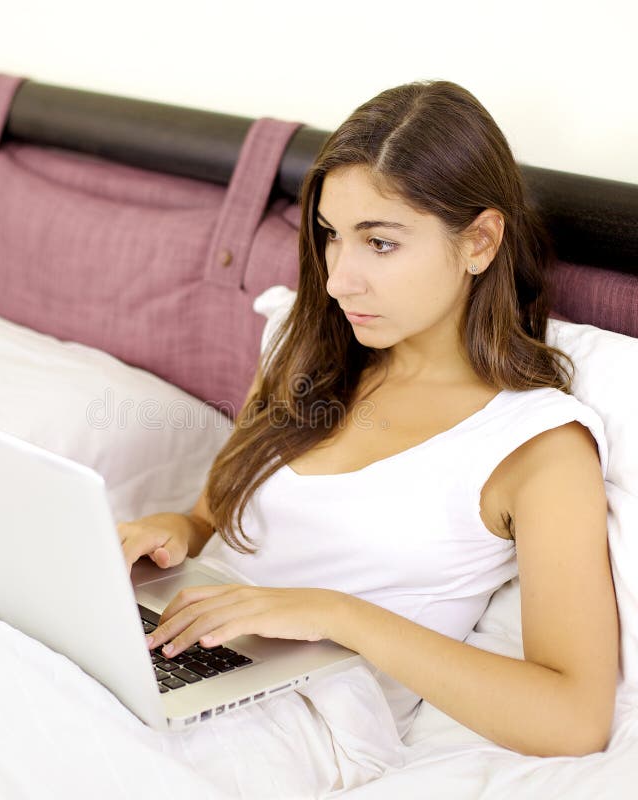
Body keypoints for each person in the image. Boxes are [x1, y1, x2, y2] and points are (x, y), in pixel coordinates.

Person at [117, 79, 619, 795]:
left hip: (299, 719)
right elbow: (209, 517)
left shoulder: (535, 446)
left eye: (380, 242)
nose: (339, 279)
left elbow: (574, 718)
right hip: (186, 651)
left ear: (479, 241)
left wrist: (332, 611)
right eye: (330, 236)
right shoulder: (310, 351)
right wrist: (171, 532)